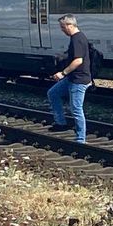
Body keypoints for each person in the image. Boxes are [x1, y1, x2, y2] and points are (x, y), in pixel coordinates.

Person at [47, 14, 91, 143]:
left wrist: (63, 73)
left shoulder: (78, 39)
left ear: (70, 25)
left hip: (79, 80)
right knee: (53, 93)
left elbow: (78, 60)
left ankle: (81, 139)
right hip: (72, 78)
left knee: (76, 109)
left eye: (63, 27)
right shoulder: (75, 38)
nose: (62, 30)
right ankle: (61, 123)